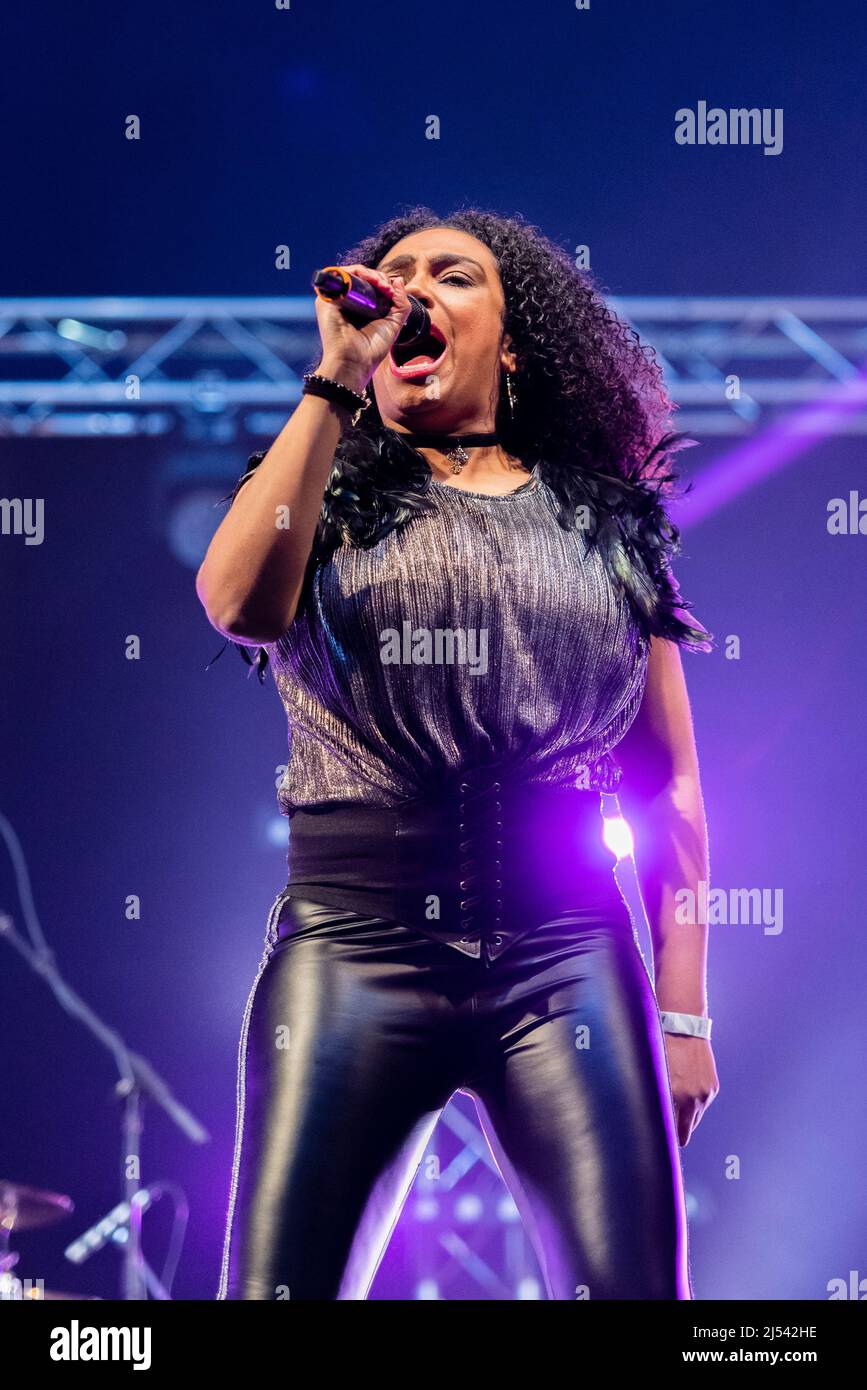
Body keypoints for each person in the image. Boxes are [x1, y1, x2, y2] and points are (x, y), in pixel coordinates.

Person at [197, 206, 720, 1301]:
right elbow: (237, 604)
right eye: (397, 274)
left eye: (452, 274)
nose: (414, 288)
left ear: (512, 340)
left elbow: (669, 783)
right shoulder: (323, 492)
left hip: (565, 949)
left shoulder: (608, 530)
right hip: (353, 947)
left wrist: (682, 1012)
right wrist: (337, 375)